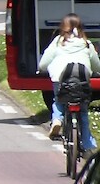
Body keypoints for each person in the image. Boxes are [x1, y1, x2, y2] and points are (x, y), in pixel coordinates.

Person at [37, 13, 98, 153]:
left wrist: (41, 69)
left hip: (61, 77)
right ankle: (88, 144)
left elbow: (44, 62)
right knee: (82, 111)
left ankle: (57, 119)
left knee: (59, 100)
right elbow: (96, 65)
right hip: (82, 79)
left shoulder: (58, 42)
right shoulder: (86, 43)